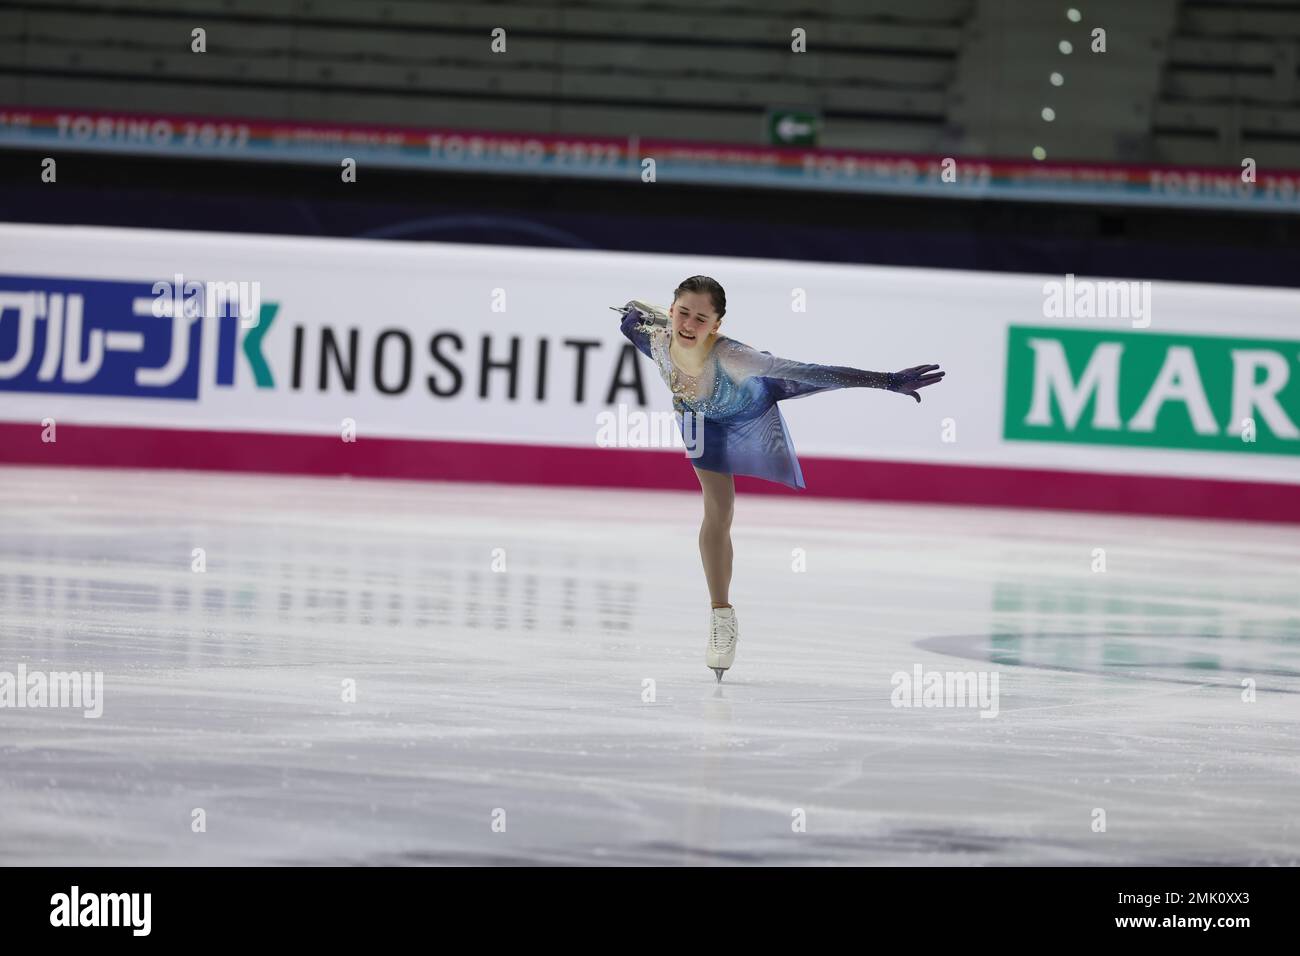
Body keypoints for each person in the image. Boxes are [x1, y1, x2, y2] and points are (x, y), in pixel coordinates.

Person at [613, 275, 945, 681]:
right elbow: (633, 320)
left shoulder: (736, 357)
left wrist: (886, 381)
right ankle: (721, 616)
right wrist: (632, 316)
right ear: (671, 310)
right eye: (682, 312)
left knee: (800, 386)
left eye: (701, 319)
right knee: (718, 510)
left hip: (752, 399)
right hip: (697, 417)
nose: (688, 324)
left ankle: (721, 615)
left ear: (716, 325)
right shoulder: (652, 336)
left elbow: (813, 371)